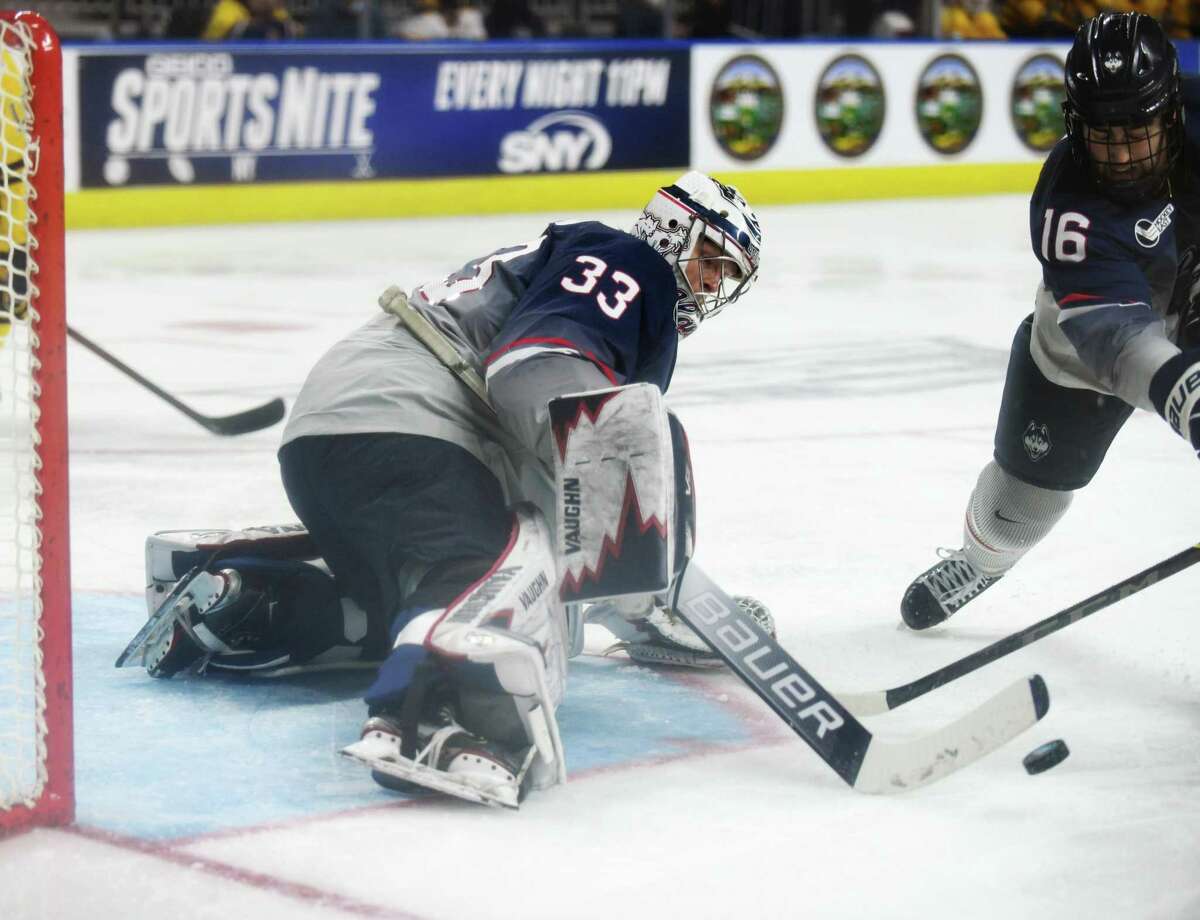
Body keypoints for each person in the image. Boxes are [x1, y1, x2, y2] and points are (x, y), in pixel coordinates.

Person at [128, 172, 765, 808]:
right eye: (709, 259)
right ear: (671, 230)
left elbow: (557, 449)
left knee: (399, 609)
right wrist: (634, 554)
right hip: (407, 415)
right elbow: (533, 372)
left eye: (727, 277)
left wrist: (628, 590)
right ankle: (427, 714)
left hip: (337, 432)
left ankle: (257, 604)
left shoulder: (609, 283)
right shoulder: (631, 264)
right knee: (494, 572)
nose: (711, 283)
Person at [901, 12, 1199, 630]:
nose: (1121, 155)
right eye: (1102, 135)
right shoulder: (1070, 210)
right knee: (1018, 504)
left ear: (1171, 112)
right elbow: (1122, 346)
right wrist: (1190, 397)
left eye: (1136, 132)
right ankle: (982, 560)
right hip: (1091, 343)